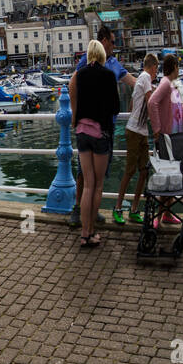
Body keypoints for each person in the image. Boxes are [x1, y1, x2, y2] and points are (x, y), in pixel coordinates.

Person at [67, 25, 135, 228]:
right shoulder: (86, 61)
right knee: (83, 173)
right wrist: (75, 114)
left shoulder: (114, 63)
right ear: (104, 41)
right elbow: (72, 85)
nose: (115, 45)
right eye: (113, 41)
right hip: (92, 125)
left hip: (105, 128)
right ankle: (78, 210)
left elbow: (132, 80)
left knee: (99, 175)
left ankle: (92, 213)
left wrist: (151, 88)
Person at [72, 40, 120, 248]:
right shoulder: (109, 75)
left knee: (87, 185)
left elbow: (74, 93)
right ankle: (92, 231)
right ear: (101, 55)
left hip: (82, 131)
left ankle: (84, 233)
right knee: (97, 185)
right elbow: (115, 107)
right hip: (100, 132)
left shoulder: (80, 74)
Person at [146, 54, 183, 231]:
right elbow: (152, 102)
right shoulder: (166, 83)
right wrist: (157, 129)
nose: (179, 68)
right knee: (167, 180)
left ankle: (165, 215)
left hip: (174, 139)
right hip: (167, 139)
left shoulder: (173, 86)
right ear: (174, 66)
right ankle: (159, 217)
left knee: (171, 178)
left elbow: (181, 108)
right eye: (178, 66)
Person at [113, 53, 159, 224]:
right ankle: (118, 208)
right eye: (156, 70)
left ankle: (134, 209)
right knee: (131, 170)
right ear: (153, 67)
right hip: (135, 132)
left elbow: (133, 104)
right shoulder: (146, 77)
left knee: (143, 171)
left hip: (139, 131)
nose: (156, 74)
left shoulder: (142, 79)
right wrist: (156, 128)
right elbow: (150, 102)